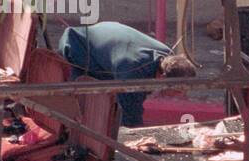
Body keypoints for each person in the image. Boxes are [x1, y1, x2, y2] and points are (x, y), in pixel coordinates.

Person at [58, 22, 196, 128]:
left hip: (108, 42)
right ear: (163, 78)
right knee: (83, 111)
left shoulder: (166, 56)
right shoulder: (131, 70)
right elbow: (130, 116)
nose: (182, 96)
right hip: (77, 47)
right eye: (178, 91)